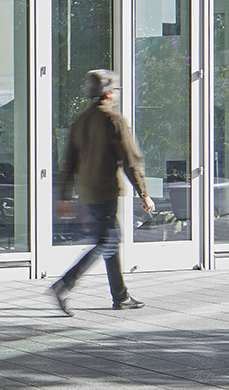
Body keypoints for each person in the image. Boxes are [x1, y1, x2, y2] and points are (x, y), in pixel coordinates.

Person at [48, 68, 157, 314]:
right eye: (116, 89)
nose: (117, 94)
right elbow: (130, 160)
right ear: (108, 92)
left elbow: (68, 163)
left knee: (110, 241)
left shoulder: (81, 121)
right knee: (104, 242)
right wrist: (144, 192)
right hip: (105, 192)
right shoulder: (114, 120)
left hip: (87, 193)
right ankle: (64, 284)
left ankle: (120, 296)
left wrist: (63, 196)